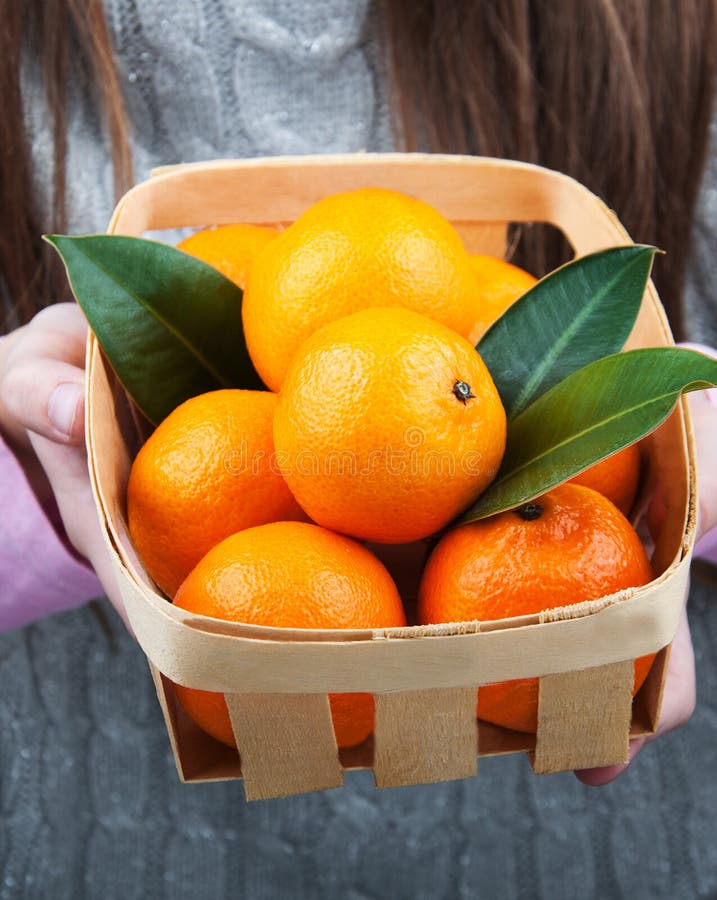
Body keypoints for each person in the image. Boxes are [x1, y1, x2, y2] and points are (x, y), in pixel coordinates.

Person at [1, 2, 716, 897]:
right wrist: (37, 469)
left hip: (628, 845)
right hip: (103, 827)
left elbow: (657, 397)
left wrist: (687, 438)